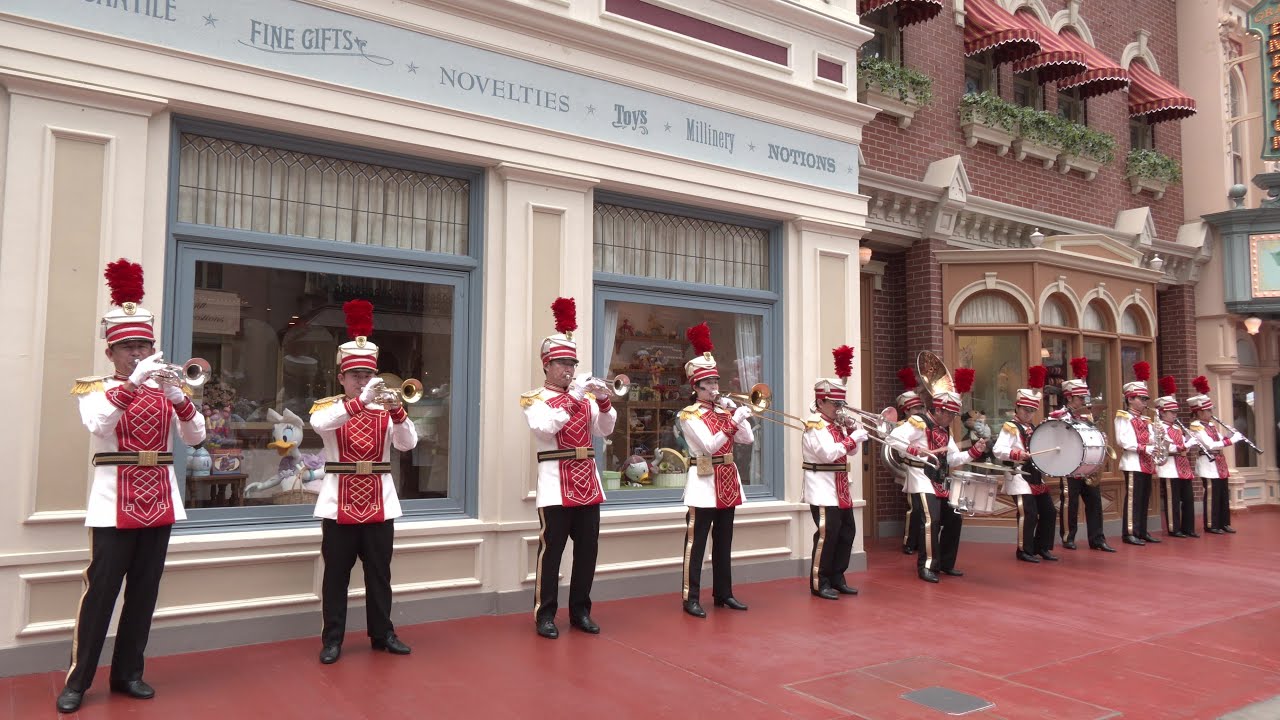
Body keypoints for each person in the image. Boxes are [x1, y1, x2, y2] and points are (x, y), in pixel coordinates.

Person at [59, 259, 207, 714]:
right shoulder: (94, 389)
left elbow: (196, 438)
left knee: (144, 594)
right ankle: (78, 680)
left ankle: (128, 673)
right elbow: (99, 426)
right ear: (111, 353)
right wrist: (133, 385)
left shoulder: (167, 389)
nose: (136, 353)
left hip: (159, 500)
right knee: (100, 594)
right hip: (112, 504)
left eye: (143, 345)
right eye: (127, 347)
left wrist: (179, 397)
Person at [309, 300, 418, 664]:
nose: (361, 381)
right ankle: (332, 639)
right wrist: (359, 402)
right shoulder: (330, 408)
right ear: (341, 378)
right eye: (354, 375)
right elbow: (320, 425)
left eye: (366, 375)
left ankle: (383, 633)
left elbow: (407, 444)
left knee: (379, 575)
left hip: (379, 503)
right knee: (335, 577)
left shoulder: (386, 412)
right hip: (337, 504)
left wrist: (398, 412)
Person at [521, 298, 616, 639]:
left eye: (572, 363)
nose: (569, 369)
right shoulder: (535, 399)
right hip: (555, 485)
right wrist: (575, 396)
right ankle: (545, 615)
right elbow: (545, 428)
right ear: (546, 365)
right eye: (562, 363)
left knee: (587, 553)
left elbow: (604, 430)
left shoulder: (584, 398)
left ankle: (580, 612)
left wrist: (603, 401)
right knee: (552, 554)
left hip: (588, 482)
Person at [678, 322, 755, 617]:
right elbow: (709, 445)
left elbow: (747, 439)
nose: (714, 388)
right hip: (703, 482)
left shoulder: (723, 411)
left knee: (724, 542)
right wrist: (733, 421)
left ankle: (724, 593)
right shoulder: (689, 415)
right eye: (708, 384)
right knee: (696, 544)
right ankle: (691, 597)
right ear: (695, 387)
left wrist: (737, 413)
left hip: (727, 481)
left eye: (715, 382)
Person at [887, 381, 986, 583]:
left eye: (954, 415)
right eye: (949, 414)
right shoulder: (919, 422)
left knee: (954, 519)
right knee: (931, 520)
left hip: (939, 480)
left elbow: (953, 459)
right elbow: (892, 438)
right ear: (938, 410)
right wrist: (916, 450)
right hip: (920, 478)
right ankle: (927, 566)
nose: (952, 418)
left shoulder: (944, 429)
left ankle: (945, 564)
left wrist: (974, 452)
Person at [802, 346, 869, 600]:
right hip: (821, 487)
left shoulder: (837, 425)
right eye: (836, 403)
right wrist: (852, 439)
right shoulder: (815, 425)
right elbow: (828, 454)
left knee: (847, 533)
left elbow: (851, 453)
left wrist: (853, 434)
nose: (840, 408)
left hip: (840, 486)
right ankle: (819, 582)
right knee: (826, 536)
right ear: (821, 402)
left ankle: (838, 576)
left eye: (842, 403)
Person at [991, 366, 1058, 563]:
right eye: (1025, 410)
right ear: (1017, 408)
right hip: (1019, 475)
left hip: (1036, 476)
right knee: (1029, 513)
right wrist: (1017, 454)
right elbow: (998, 450)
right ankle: (1024, 550)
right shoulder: (1010, 427)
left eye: (1032, 410)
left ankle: (1042, 547)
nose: (1028, 413)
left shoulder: (1035, 428)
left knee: (1049, 511)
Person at [1052, 357, 1115, 553]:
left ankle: (1097, 539)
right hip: (1069, 465)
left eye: (1084, 397)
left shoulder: (1087, 416)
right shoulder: (1059, 416)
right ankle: (1068, 537)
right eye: (1080, 398)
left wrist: (1101, 438)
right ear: (1069, 397)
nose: (1084, 401)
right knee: (1070, 503)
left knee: (1095, 502)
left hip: (1088, 465)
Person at [1114, 362, 1161, 546]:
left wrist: (1157, 438)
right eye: (1141, 399)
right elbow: (1122, 440)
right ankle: (1129, 532)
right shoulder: (1123, 416)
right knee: (1133, 499)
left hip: (1147, 463)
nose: (1145, 402)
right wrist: (1144, 448)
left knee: (1144, 499)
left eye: (1145, 399)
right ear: (1130, 399)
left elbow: (1150, 439)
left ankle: (1142, 531)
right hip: (1133, 462)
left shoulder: (1146, 419)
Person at [1187, 376, 1241, 535]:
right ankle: (1211, 524)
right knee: (1212, 495)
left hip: (1219, 463)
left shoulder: (1210, 425)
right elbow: (1210, 444)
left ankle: (1224, 523)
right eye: (1209, 410)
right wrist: (1231, 441)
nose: (1211, 413)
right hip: (1208, 463)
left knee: (1223, 493)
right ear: (1200, 412)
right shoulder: (1196, 426)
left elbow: (1219, 439)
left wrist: (1230, 435)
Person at [1153, 376, 1200, 539]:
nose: (1175, 415)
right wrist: (1186, 445)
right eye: (1172, 412)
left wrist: (1189, 440)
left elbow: (1182, 445)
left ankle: (1189, 528)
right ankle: (1174, 528)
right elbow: (1167, 447)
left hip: (1183, 465)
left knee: (1188, 499)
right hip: (1170, 466)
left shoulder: (1177, 428)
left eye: (1175, 412)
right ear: (1162, 412)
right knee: (1172, 500)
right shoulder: (1158, 427)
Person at [895, 367, 925, 555]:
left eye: (920, 407)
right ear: (906, 411)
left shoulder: (924, 423)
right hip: (909, 469)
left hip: (926, 471)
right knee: (914, 507)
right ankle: (909, 541)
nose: (919, 411)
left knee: (923, 508)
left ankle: (921, 540)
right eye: (915, 408)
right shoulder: (901, 425)